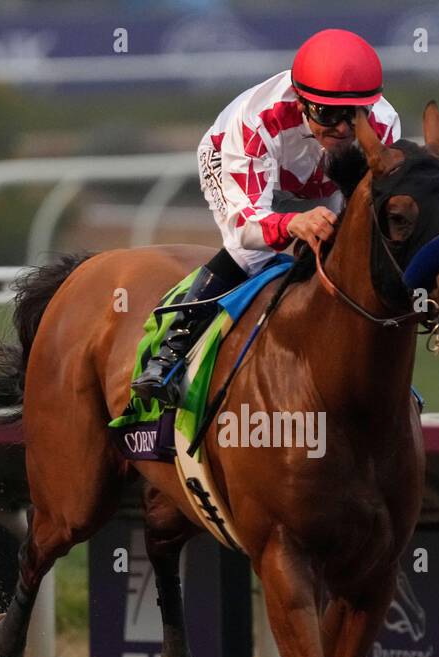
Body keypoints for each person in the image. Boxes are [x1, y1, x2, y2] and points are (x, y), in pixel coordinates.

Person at [130, 28, 400, 406]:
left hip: (316, 179)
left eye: (355, 116)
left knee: (345, 251)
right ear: (303, 103)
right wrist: (291, 224)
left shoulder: (385, 125)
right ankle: (170, 353)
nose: (342, 129)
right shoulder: (256, 121)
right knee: (250, 255)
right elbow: (247, 228)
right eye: (328, 114)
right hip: (235, 161)